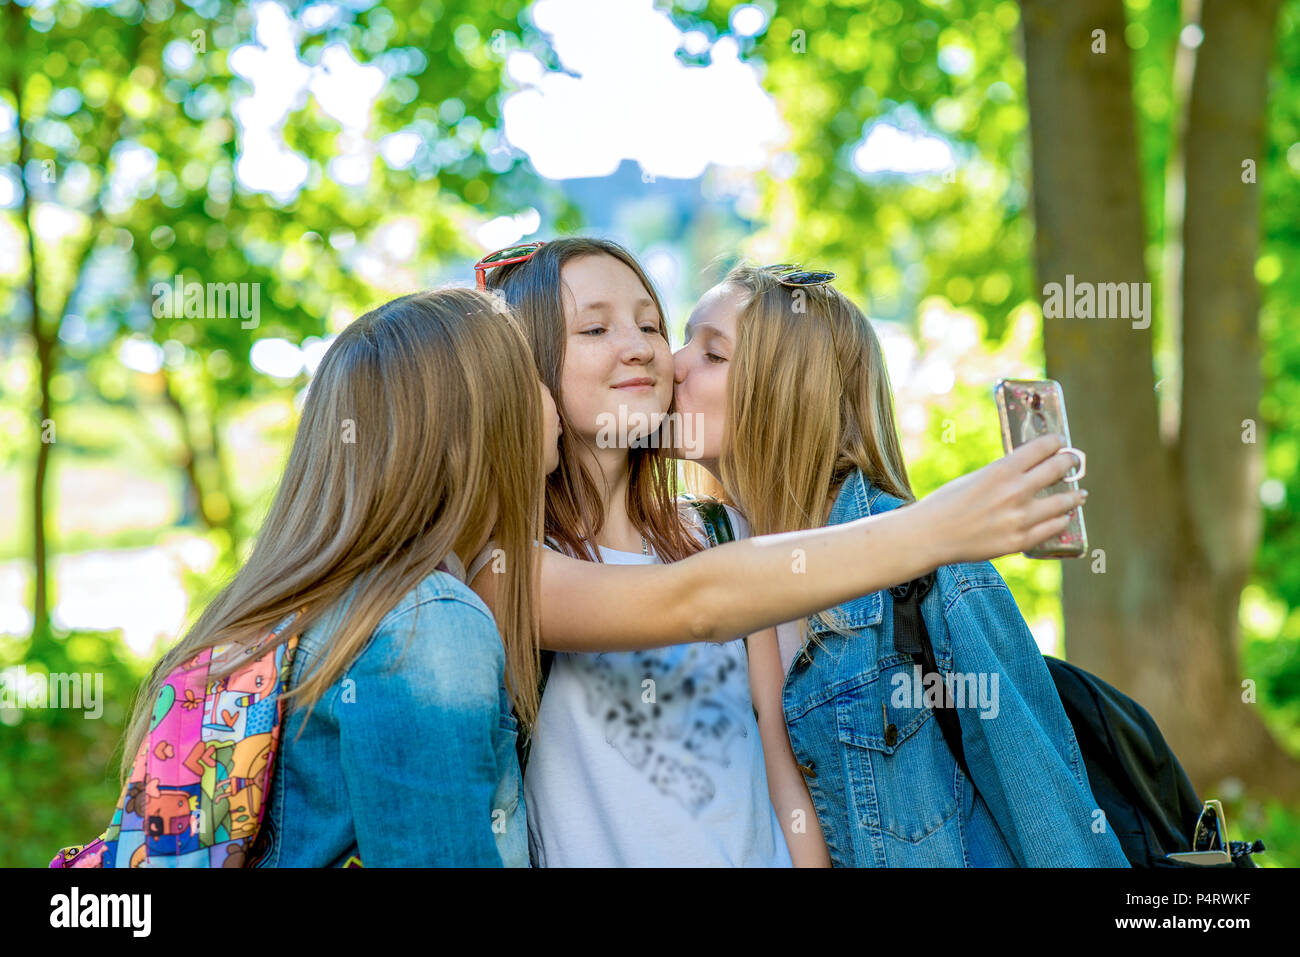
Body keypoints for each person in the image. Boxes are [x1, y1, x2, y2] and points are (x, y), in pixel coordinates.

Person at [477, 238, 1090, 867]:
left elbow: (784, 772)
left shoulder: (724, 534)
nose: (649, 350)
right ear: (527, 371)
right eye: (595, 328)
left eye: (652, 325)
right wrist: (936, 527)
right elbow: (698, 603)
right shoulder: (502, 566)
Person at [672, 262, 1129, 866]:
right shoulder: (689, 564)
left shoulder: (933, 579)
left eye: (712, 354)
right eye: (685, 340)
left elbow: (1057, 833)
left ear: (786, 395)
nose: (673, 364)